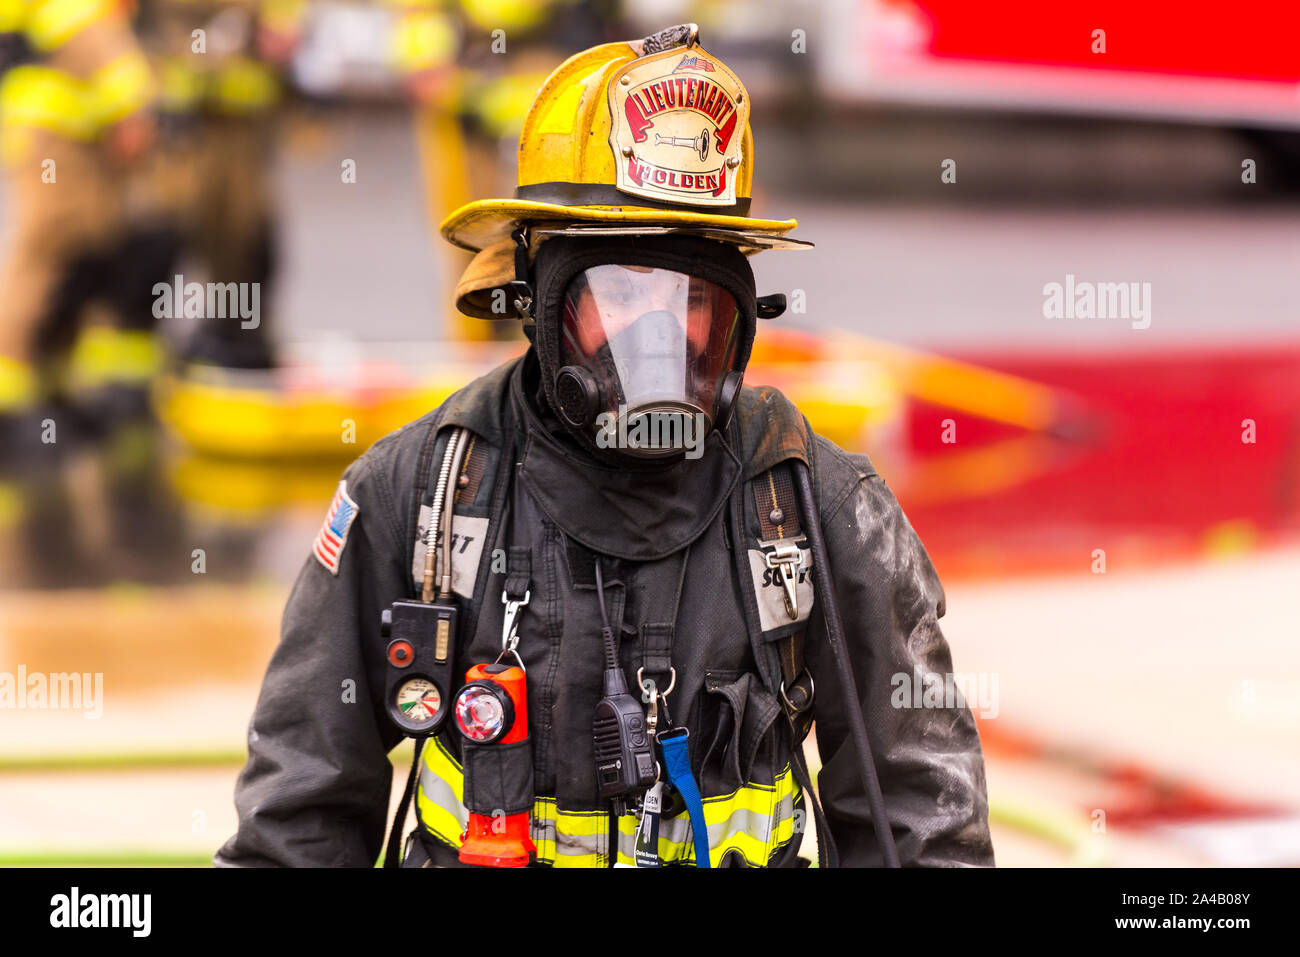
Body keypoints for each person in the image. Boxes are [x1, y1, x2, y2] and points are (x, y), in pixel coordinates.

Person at [216, 24, 994, 868]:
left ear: (735, 316)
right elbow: (295, 823)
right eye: (621, 292)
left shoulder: (817, 513)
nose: (662, 332)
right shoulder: (418, 495)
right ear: (541, 300)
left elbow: (927, 833)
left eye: (695, 297)